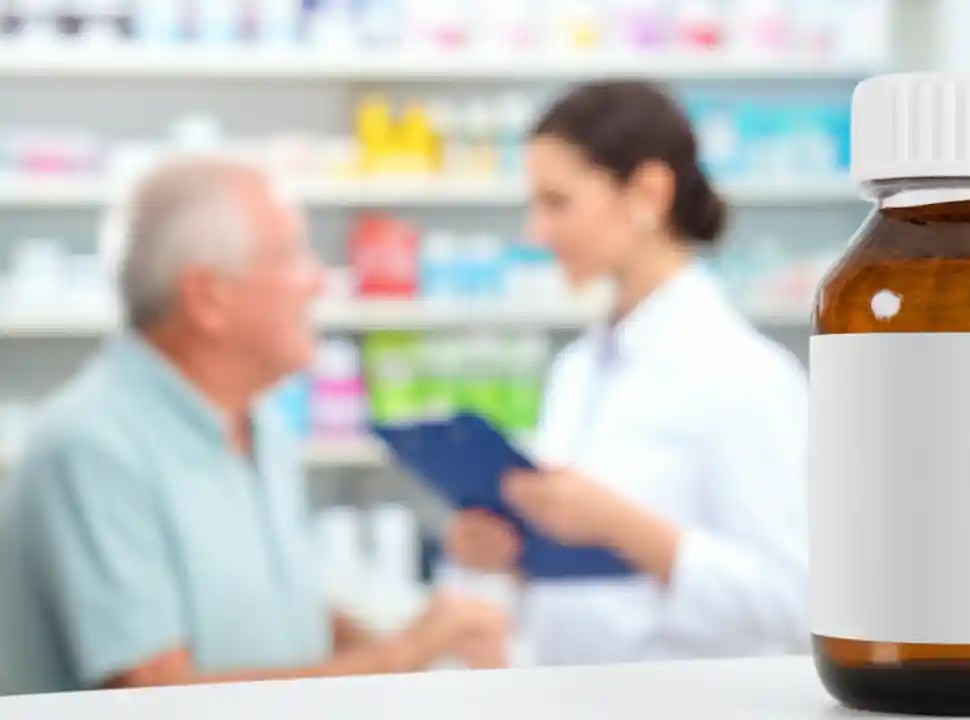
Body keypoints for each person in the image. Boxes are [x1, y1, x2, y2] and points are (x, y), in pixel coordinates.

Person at [0, 158, 507, 696]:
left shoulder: (259, 426)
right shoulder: (93, 446)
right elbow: (155, 695)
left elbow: (288, 617)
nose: (318, 281)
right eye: (291, 255)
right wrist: (405, 654)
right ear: (207, 297)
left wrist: (420, 649)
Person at [445, 81, 808, 665]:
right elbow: (586, 598)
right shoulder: (578, 369)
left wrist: (625, 528)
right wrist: (510, 553)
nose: (536, 232)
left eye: (557, 202)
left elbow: (793, 601)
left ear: (647, 193)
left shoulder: (743, 376)